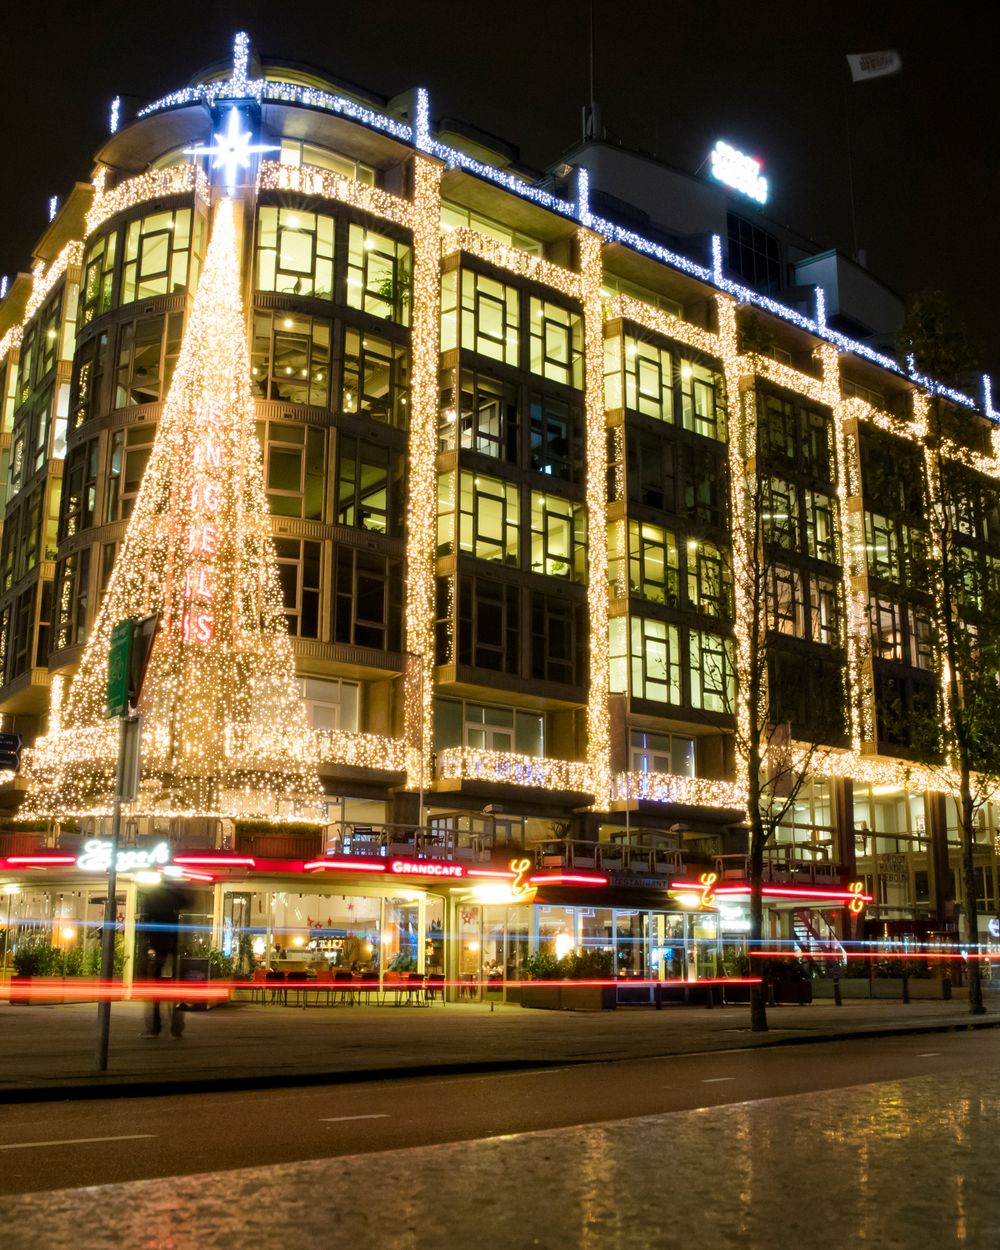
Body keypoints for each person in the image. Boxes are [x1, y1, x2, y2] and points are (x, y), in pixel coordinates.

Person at [137, 878, 194, 1039]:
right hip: (173, 944)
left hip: (158, 945)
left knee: (155, 988)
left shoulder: (152, 896)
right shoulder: (177, 896)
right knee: (176, 987)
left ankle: (154, 1027)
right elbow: (187, 906)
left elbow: (145, 922)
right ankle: (176, 1029)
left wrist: (147, 946)